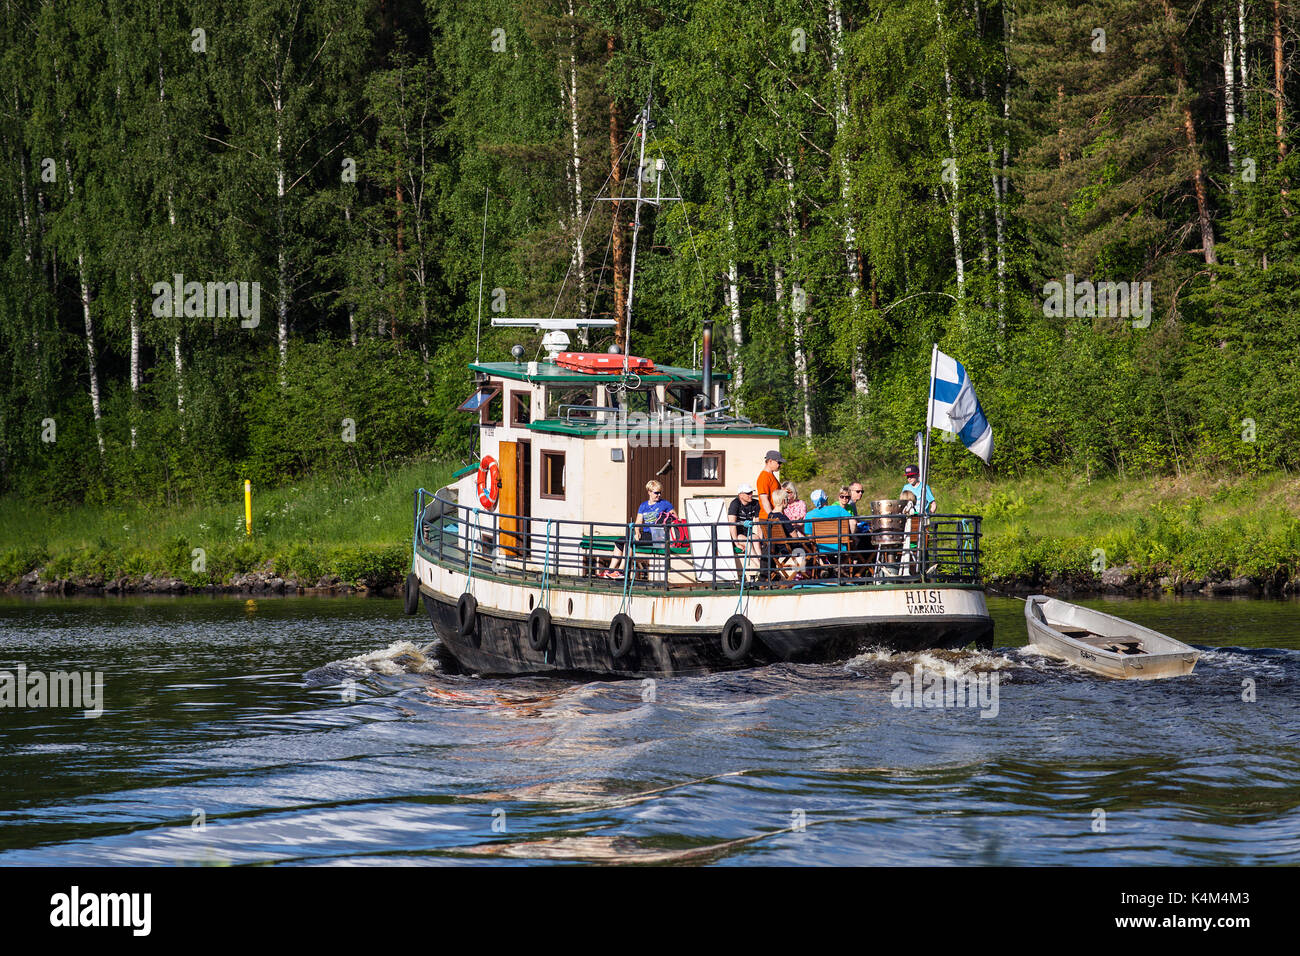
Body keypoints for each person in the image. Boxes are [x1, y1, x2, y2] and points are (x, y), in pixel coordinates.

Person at [603, 480, 674, 578]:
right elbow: (638, 522)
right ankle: (610, 570)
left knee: (630, 542)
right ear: (649, 492)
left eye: (660, 492)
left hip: (657, 535)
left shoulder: (665, 504)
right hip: (646, 533)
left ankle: (621, 571)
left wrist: (665, 520)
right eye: (656, 492)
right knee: (619, 541)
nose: (659, 495)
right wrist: (637, 532)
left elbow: (675, 518)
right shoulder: (643, 506)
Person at [767, 488, 808, 578]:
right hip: (788, 548)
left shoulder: (770, 516)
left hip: (777, 548)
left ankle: (800, 574)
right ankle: (805, 576)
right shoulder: (783, 518)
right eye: (787, 499)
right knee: (810, 547)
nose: (788, 501)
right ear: (783, 501)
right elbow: (795, 537)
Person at [728, 481, 763, 579]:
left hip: (748, 532)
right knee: (748, 543)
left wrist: (761, 539)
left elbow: (758, 523)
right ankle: (761, 568)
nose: (751, 495)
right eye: (748, 493)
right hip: (736, 533)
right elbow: (732, 524)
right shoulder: (735, 504)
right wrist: (736, 543)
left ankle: (764, 565)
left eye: (751, 492)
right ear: (741, 494)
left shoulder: (756, 503)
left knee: (756, 539)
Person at [803, 488, 852, 555]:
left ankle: (821, 562)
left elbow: (810, 536)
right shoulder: (838, 509)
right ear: (826, 498)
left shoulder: (809, 515)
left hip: (821, 550)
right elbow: (853, 522)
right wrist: (853, 536)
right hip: (841, 548)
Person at [757, 449, 784, 519]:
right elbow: (764, 499)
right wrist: (771, 516)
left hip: (775, 516)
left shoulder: (770, 475)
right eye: (779, 462)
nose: (780, 465)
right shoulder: (764, 477)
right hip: (768, 518)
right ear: (770, 461)